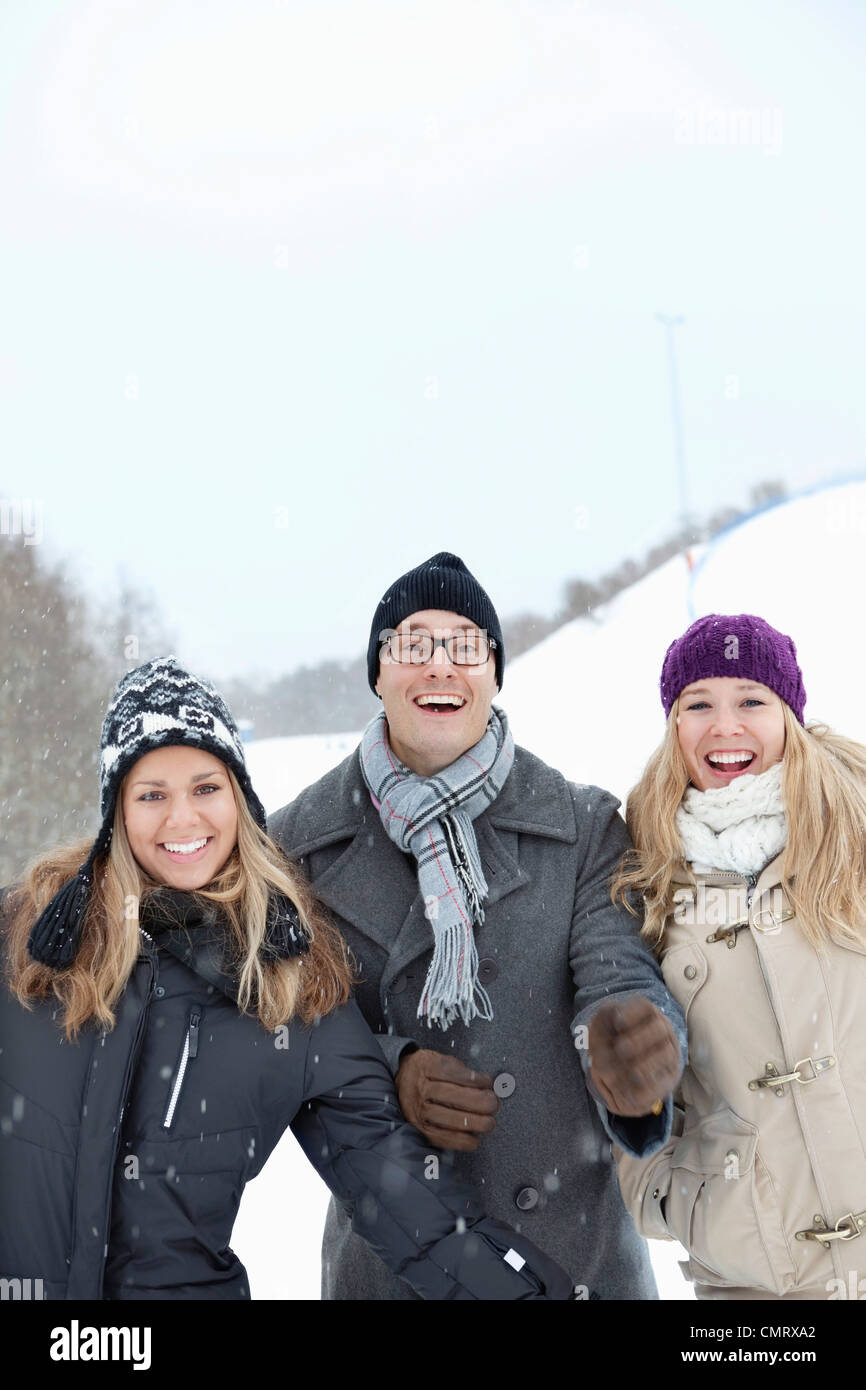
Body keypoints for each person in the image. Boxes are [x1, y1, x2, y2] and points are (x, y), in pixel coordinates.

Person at [0, 656, 578, 1301]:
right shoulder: (26, 941)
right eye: (151, 795)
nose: (183, 820)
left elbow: (411, 1210)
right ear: (117, 811)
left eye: (205, 788)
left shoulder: (289, 983)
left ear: (240, 800)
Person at [269, 552, 687, 1301]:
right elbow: (279, 1035)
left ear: (493, 673)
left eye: (466, 645)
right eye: (412, 643)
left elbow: (616, 975)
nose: (440, 666)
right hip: (393, 1271)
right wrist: (383, 1074)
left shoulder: (583, 826)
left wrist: (634, 1057)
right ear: (377, 672)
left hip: (576, 1264)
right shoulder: (295, 846)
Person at [612, 613, 866, 1300]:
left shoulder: (857, 831)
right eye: (699, 704)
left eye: (751, 700)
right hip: (752, 1287)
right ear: (674, 726)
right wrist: (680, 1198)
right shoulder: (638, 876)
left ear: (788, 714)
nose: (725, 727)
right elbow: (611, 1064)